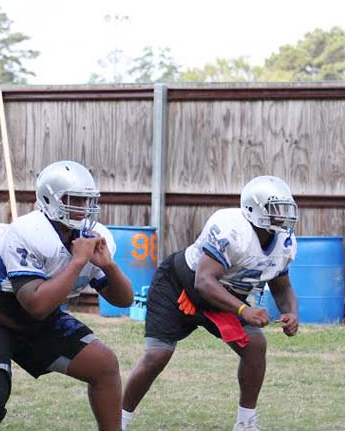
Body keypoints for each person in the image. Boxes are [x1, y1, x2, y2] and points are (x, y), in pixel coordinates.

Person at [0, 160, 133, 431]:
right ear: (50, 199)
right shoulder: (27, 232)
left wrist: (109, 266)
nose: (83, 209)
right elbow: (35, 304)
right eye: (75, 200)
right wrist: (77, 262)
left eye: (87, 201)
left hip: (38, 322)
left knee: (104, 365)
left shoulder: (94, 236)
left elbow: (123, 300)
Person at [121, 175, 300, 431]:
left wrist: (291, 312)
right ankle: (119, 420)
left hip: (222, 298)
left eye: (285, 209)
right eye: (275, 209)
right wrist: (243, 309)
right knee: (157, 354)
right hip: (179, 286)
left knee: (255, 344)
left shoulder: (283, 242)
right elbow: (203, 281)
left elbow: (282, 287)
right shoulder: (231, 227)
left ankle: (245, 422)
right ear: (253, 208)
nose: (283, 216)